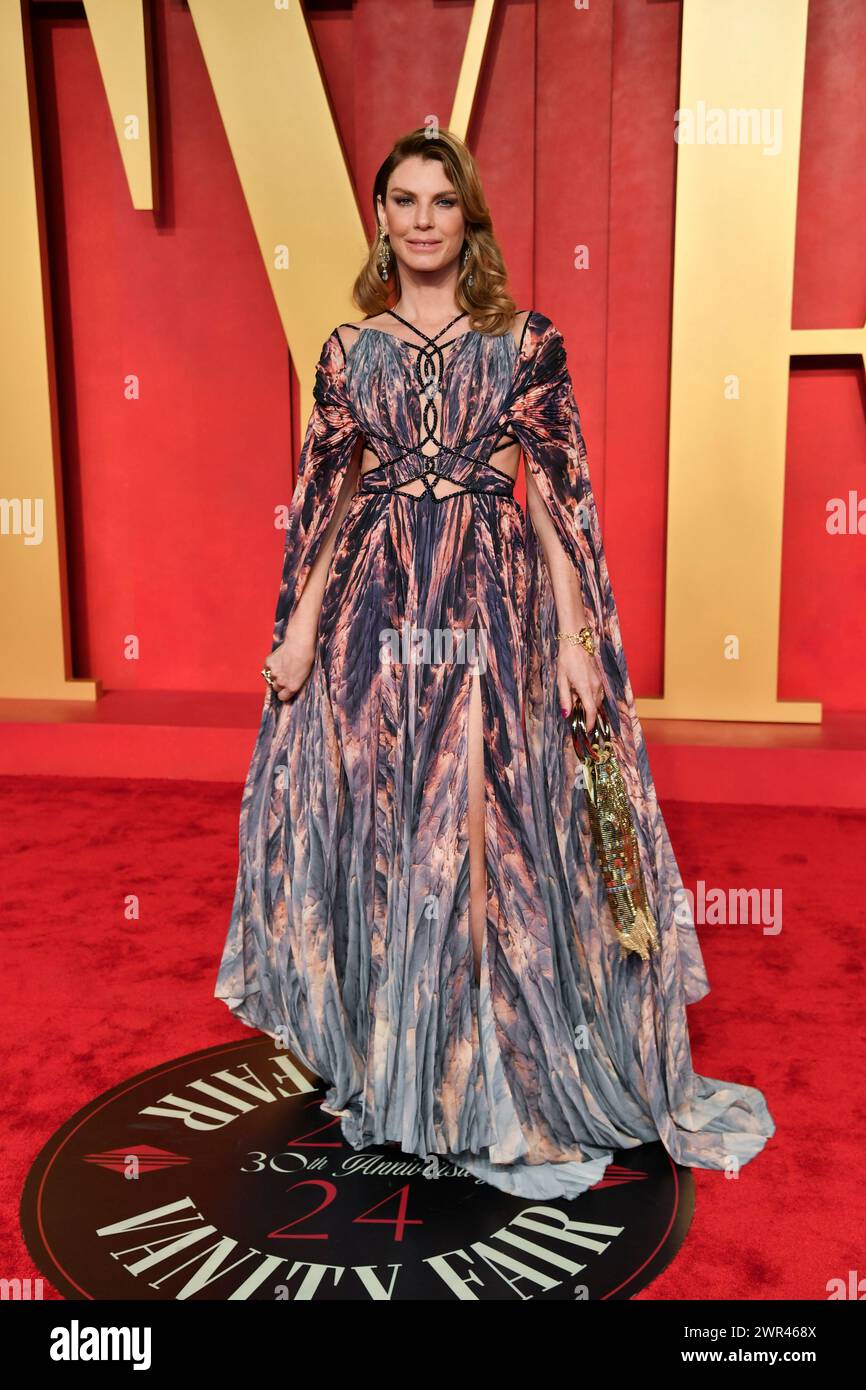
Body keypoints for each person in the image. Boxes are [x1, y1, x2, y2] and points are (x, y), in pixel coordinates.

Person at [214, 127, 775, 1199]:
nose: (422, 219)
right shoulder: (347, 350)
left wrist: (574, 643)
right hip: (376, 613)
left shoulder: (525, 342)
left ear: (467, 218)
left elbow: (560, 511)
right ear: (379, 218)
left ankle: (494, 1076)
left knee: (483, 836)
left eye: (441, 201)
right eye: (403, 200)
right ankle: (408, 1074)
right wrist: (296, 629)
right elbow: (329, 507)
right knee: (392, 837)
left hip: (490, 602)